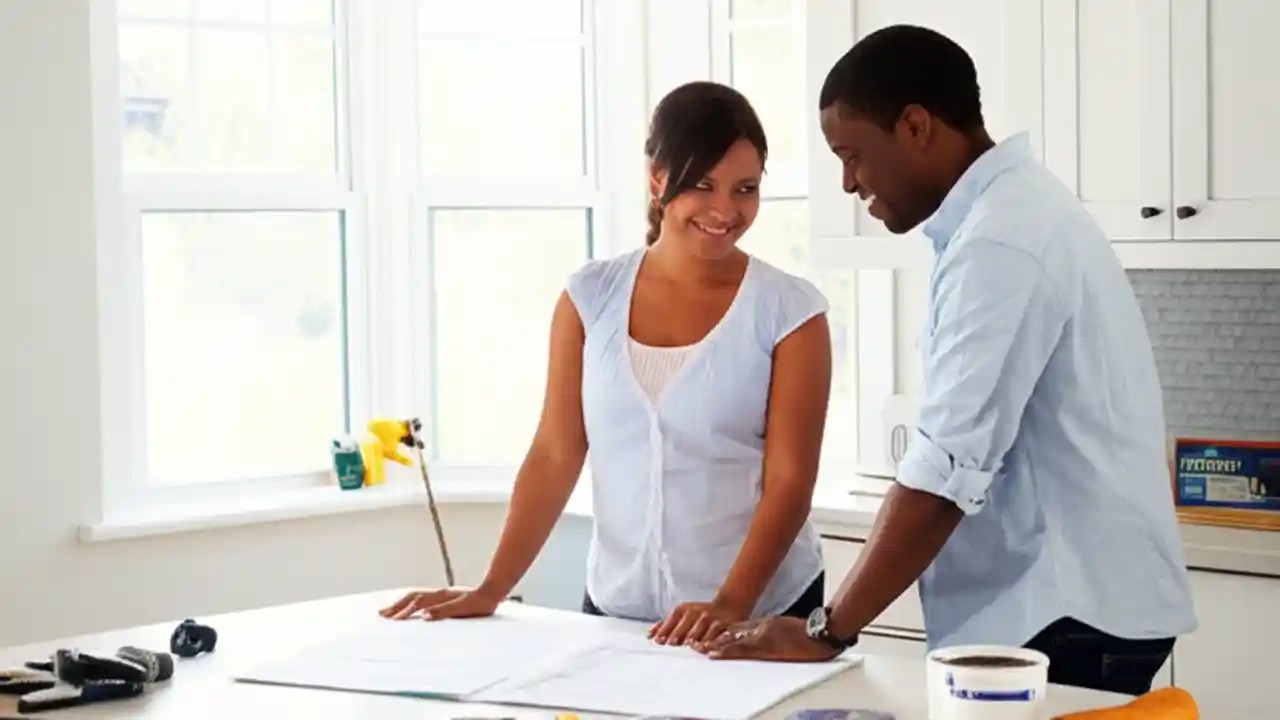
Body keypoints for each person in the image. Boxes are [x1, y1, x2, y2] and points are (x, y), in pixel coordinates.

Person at [698, 24, 1198, 696]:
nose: (848, 182)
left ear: (915, 126)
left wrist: (826, 630)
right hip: (1075, 608)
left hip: (1064, 613)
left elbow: (944, 472)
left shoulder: (1002, 241)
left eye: (853, 154)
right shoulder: (1009, 215)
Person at [379, 81, 834, 648]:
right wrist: (491, 587)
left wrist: (729, 604)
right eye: (703, 184)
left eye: (745, 189)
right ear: (658, 179)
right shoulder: (590, 298)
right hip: (618, 611)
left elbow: (790, 482)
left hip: (759, 610)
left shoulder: (791, 312)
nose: (725, 210)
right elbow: (555, 453)